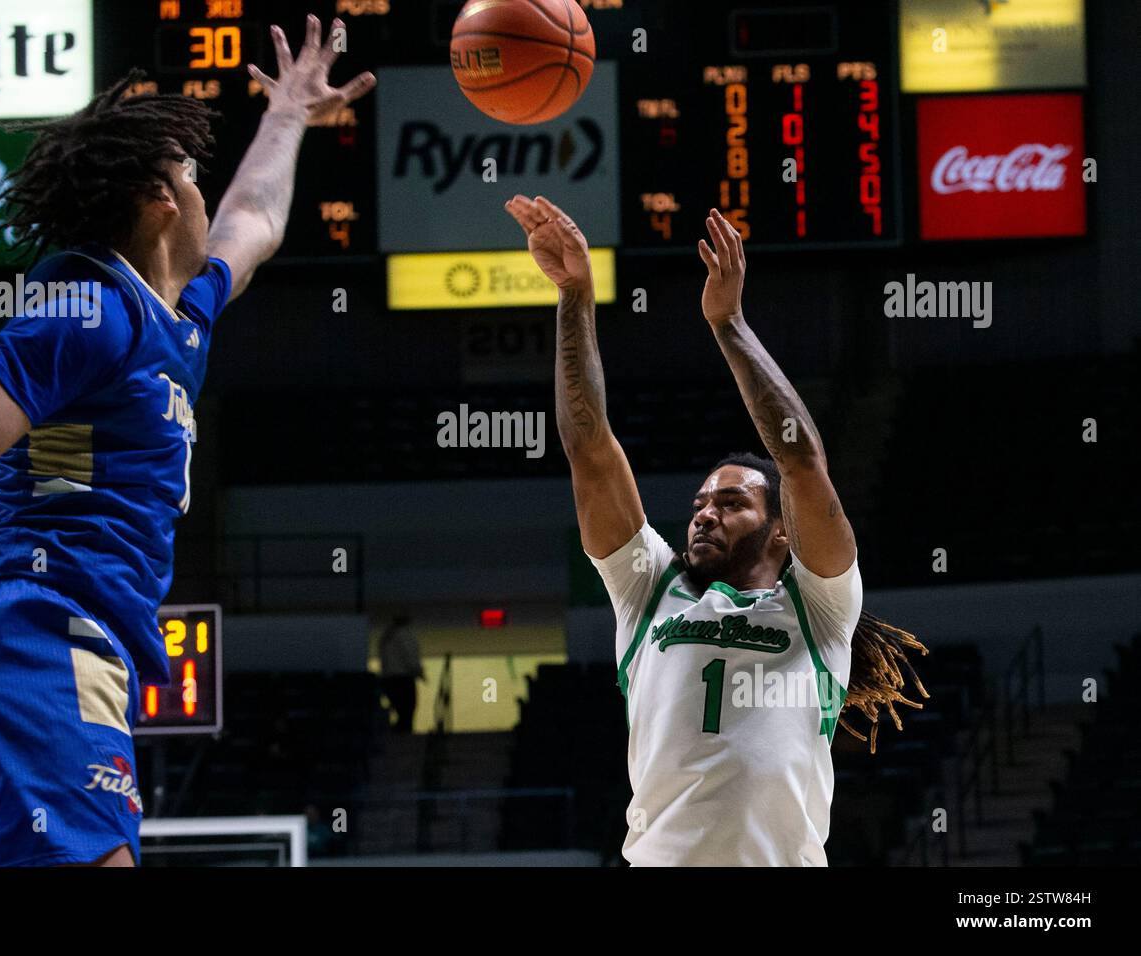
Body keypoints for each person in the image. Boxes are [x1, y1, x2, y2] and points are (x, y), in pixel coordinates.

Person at [0, 15, 374, 866]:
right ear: (161, 201)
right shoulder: (86, 307)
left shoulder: (179, 311)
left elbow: (256, 220)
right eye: (192, 174)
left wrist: (287, 117)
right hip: (38, 652)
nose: (206, 190)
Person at [504, 195, 926, 866]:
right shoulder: (650, 590)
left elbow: (800, 459)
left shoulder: (816, 607)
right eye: (702, 500)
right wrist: (575, 295)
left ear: (781, 533)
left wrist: (728, 323)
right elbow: (589, 448)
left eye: (732, 503)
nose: (705, 511)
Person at [378, 614, 424, 733]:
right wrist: (418, 671)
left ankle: (398, 733)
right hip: (403, 679)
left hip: (388, 679)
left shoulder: (387, 637)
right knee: (407, 710)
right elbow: (410, 657)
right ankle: (404, 736)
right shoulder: (405, 635)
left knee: (401, 711)